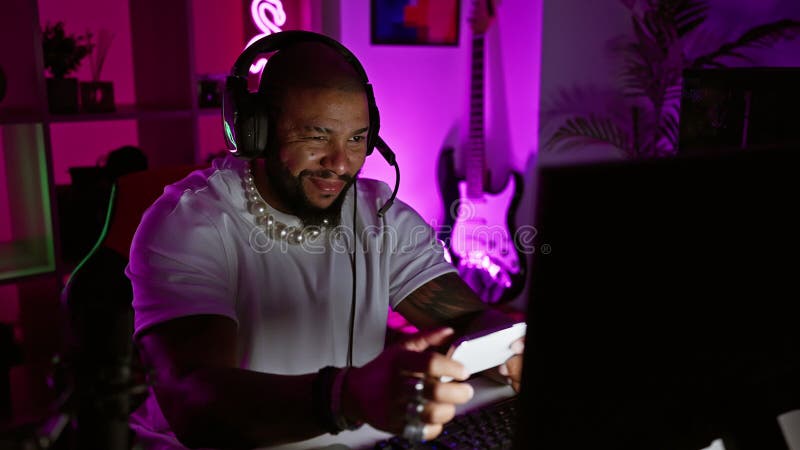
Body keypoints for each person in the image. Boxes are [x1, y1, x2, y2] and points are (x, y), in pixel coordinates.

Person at [126, 31, 523, 449]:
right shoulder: (190, 224)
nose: (340, 163)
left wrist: (509, 349)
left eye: (356, 139)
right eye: (316, 137)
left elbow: (466, 319)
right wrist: (345, 398)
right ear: (255, 131)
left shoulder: (381, 214)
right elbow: (197, 404)